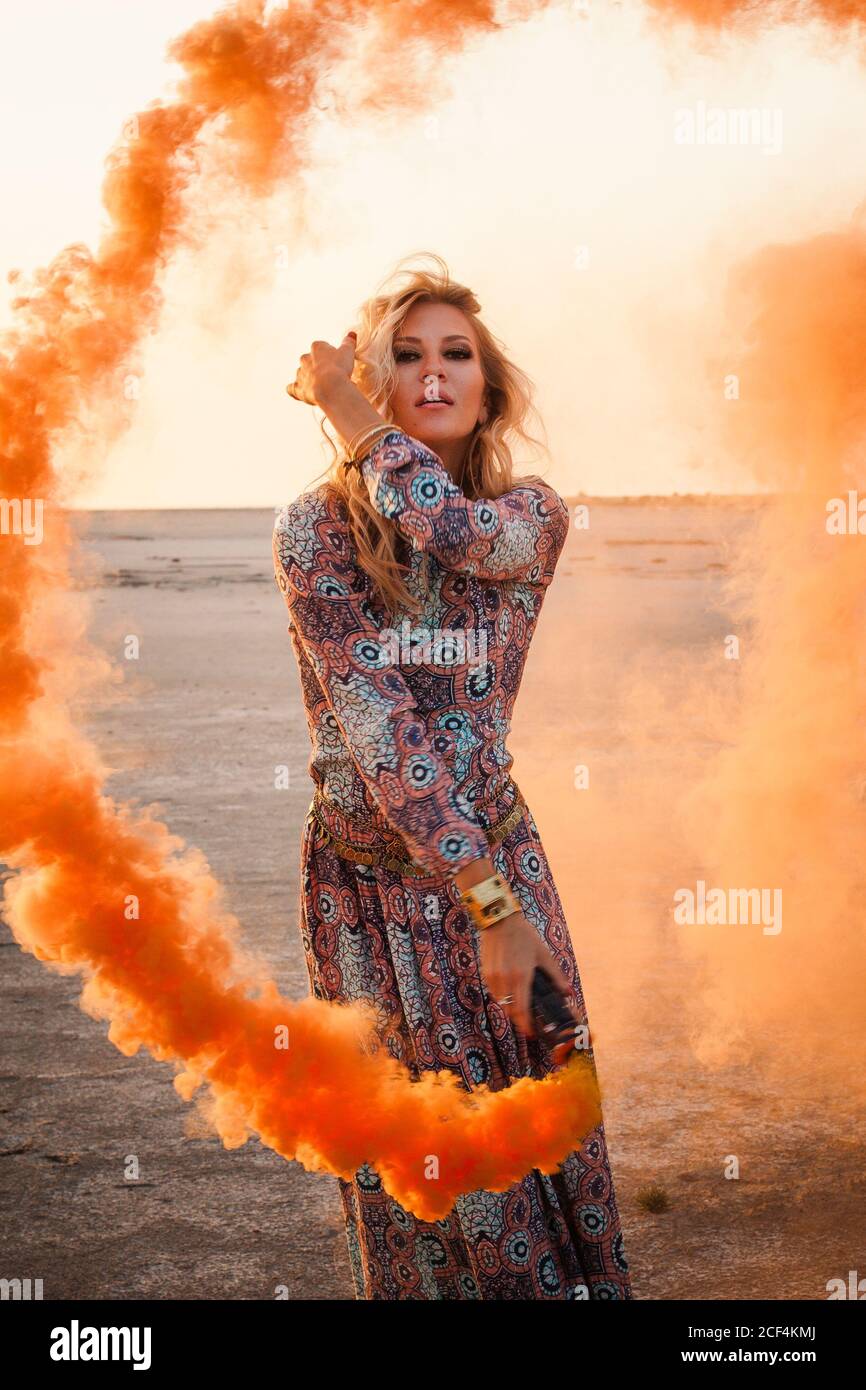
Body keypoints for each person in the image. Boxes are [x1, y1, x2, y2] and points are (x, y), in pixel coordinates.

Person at [273, 252, 632, 1300]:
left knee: (534, 1146)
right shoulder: (315, 530)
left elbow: (448, 526)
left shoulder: (527, 517)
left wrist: (344, 405)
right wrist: (480, 899)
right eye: (403, 356)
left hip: (500, 878)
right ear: (378, 386)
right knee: (423, 1175)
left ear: (489, 390)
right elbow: (381, 733)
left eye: (455, 355)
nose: (433, 372)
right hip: (368, 896)